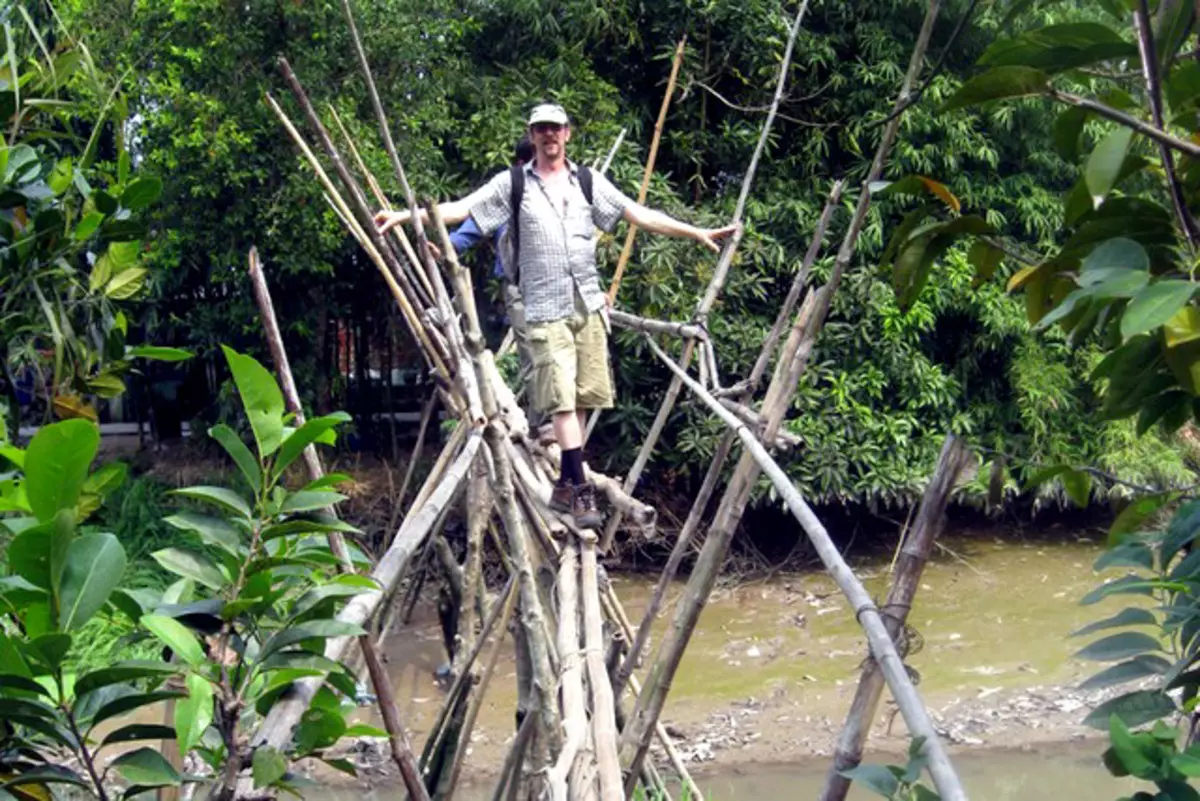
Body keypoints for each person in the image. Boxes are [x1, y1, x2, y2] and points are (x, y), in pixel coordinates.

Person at [375, 102, 738, 528]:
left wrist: (695, 231)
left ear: (568, 133)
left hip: (587, 303)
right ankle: (582, 493)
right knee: (561, 401)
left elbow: (636, 213)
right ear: (533, 137)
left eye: (556, 129)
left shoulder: (587, 181)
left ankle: (565, 487)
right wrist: (403, 216)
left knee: (583, 395)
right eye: (541, 129)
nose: (549, 135)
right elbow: (461, 209)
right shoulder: (512, 184)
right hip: (543, 307)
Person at [441, 136, 545, 432]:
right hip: (519, 286)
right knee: (532, 353)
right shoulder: (511, 194)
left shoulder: (559, 190)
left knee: (556, 355)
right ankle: (541, 424)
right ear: (523, 164)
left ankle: (553, 424)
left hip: (554, 287)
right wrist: (448, 246)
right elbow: (471, 223)